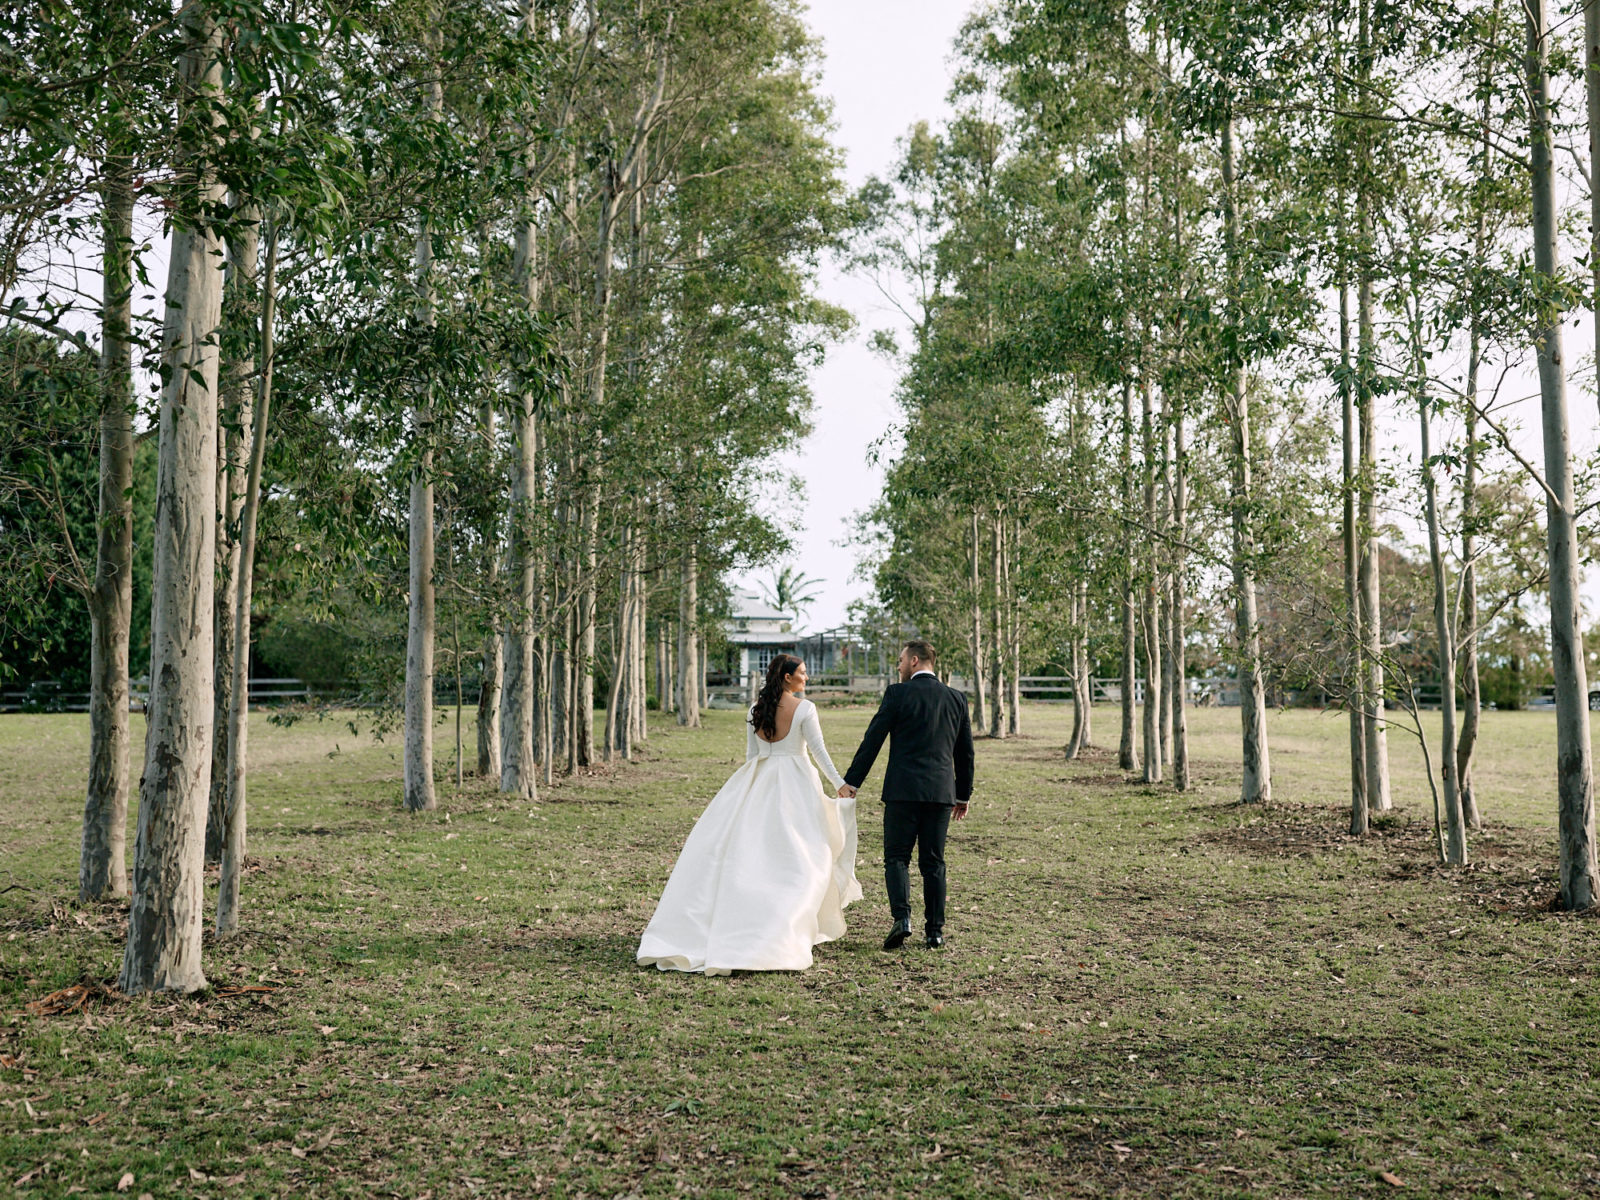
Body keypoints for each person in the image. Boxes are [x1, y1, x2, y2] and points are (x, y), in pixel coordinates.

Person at [637, 654, 860, 975]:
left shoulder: (755, 710)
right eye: (802, 674)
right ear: (786, 677)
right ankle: (783, 924)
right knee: (804, 854)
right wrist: (839, 784)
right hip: (796, 784)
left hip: (756, 782)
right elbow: (818, 752)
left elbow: (750, 757)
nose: (806, 679)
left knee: (752, 853)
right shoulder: (805, 709)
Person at [839, 639, 974, 950]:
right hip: (941, 793)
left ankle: (902, 919)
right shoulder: (956, 699)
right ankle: (935, 932)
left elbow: (872, 739)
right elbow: (965, 753)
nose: (897, 666)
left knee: (897, 858)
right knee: (934, 862)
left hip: (902, 791)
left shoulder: (897, 694)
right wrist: (962, 794)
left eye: (900, 660)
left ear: (915, 661)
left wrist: (853, 782)